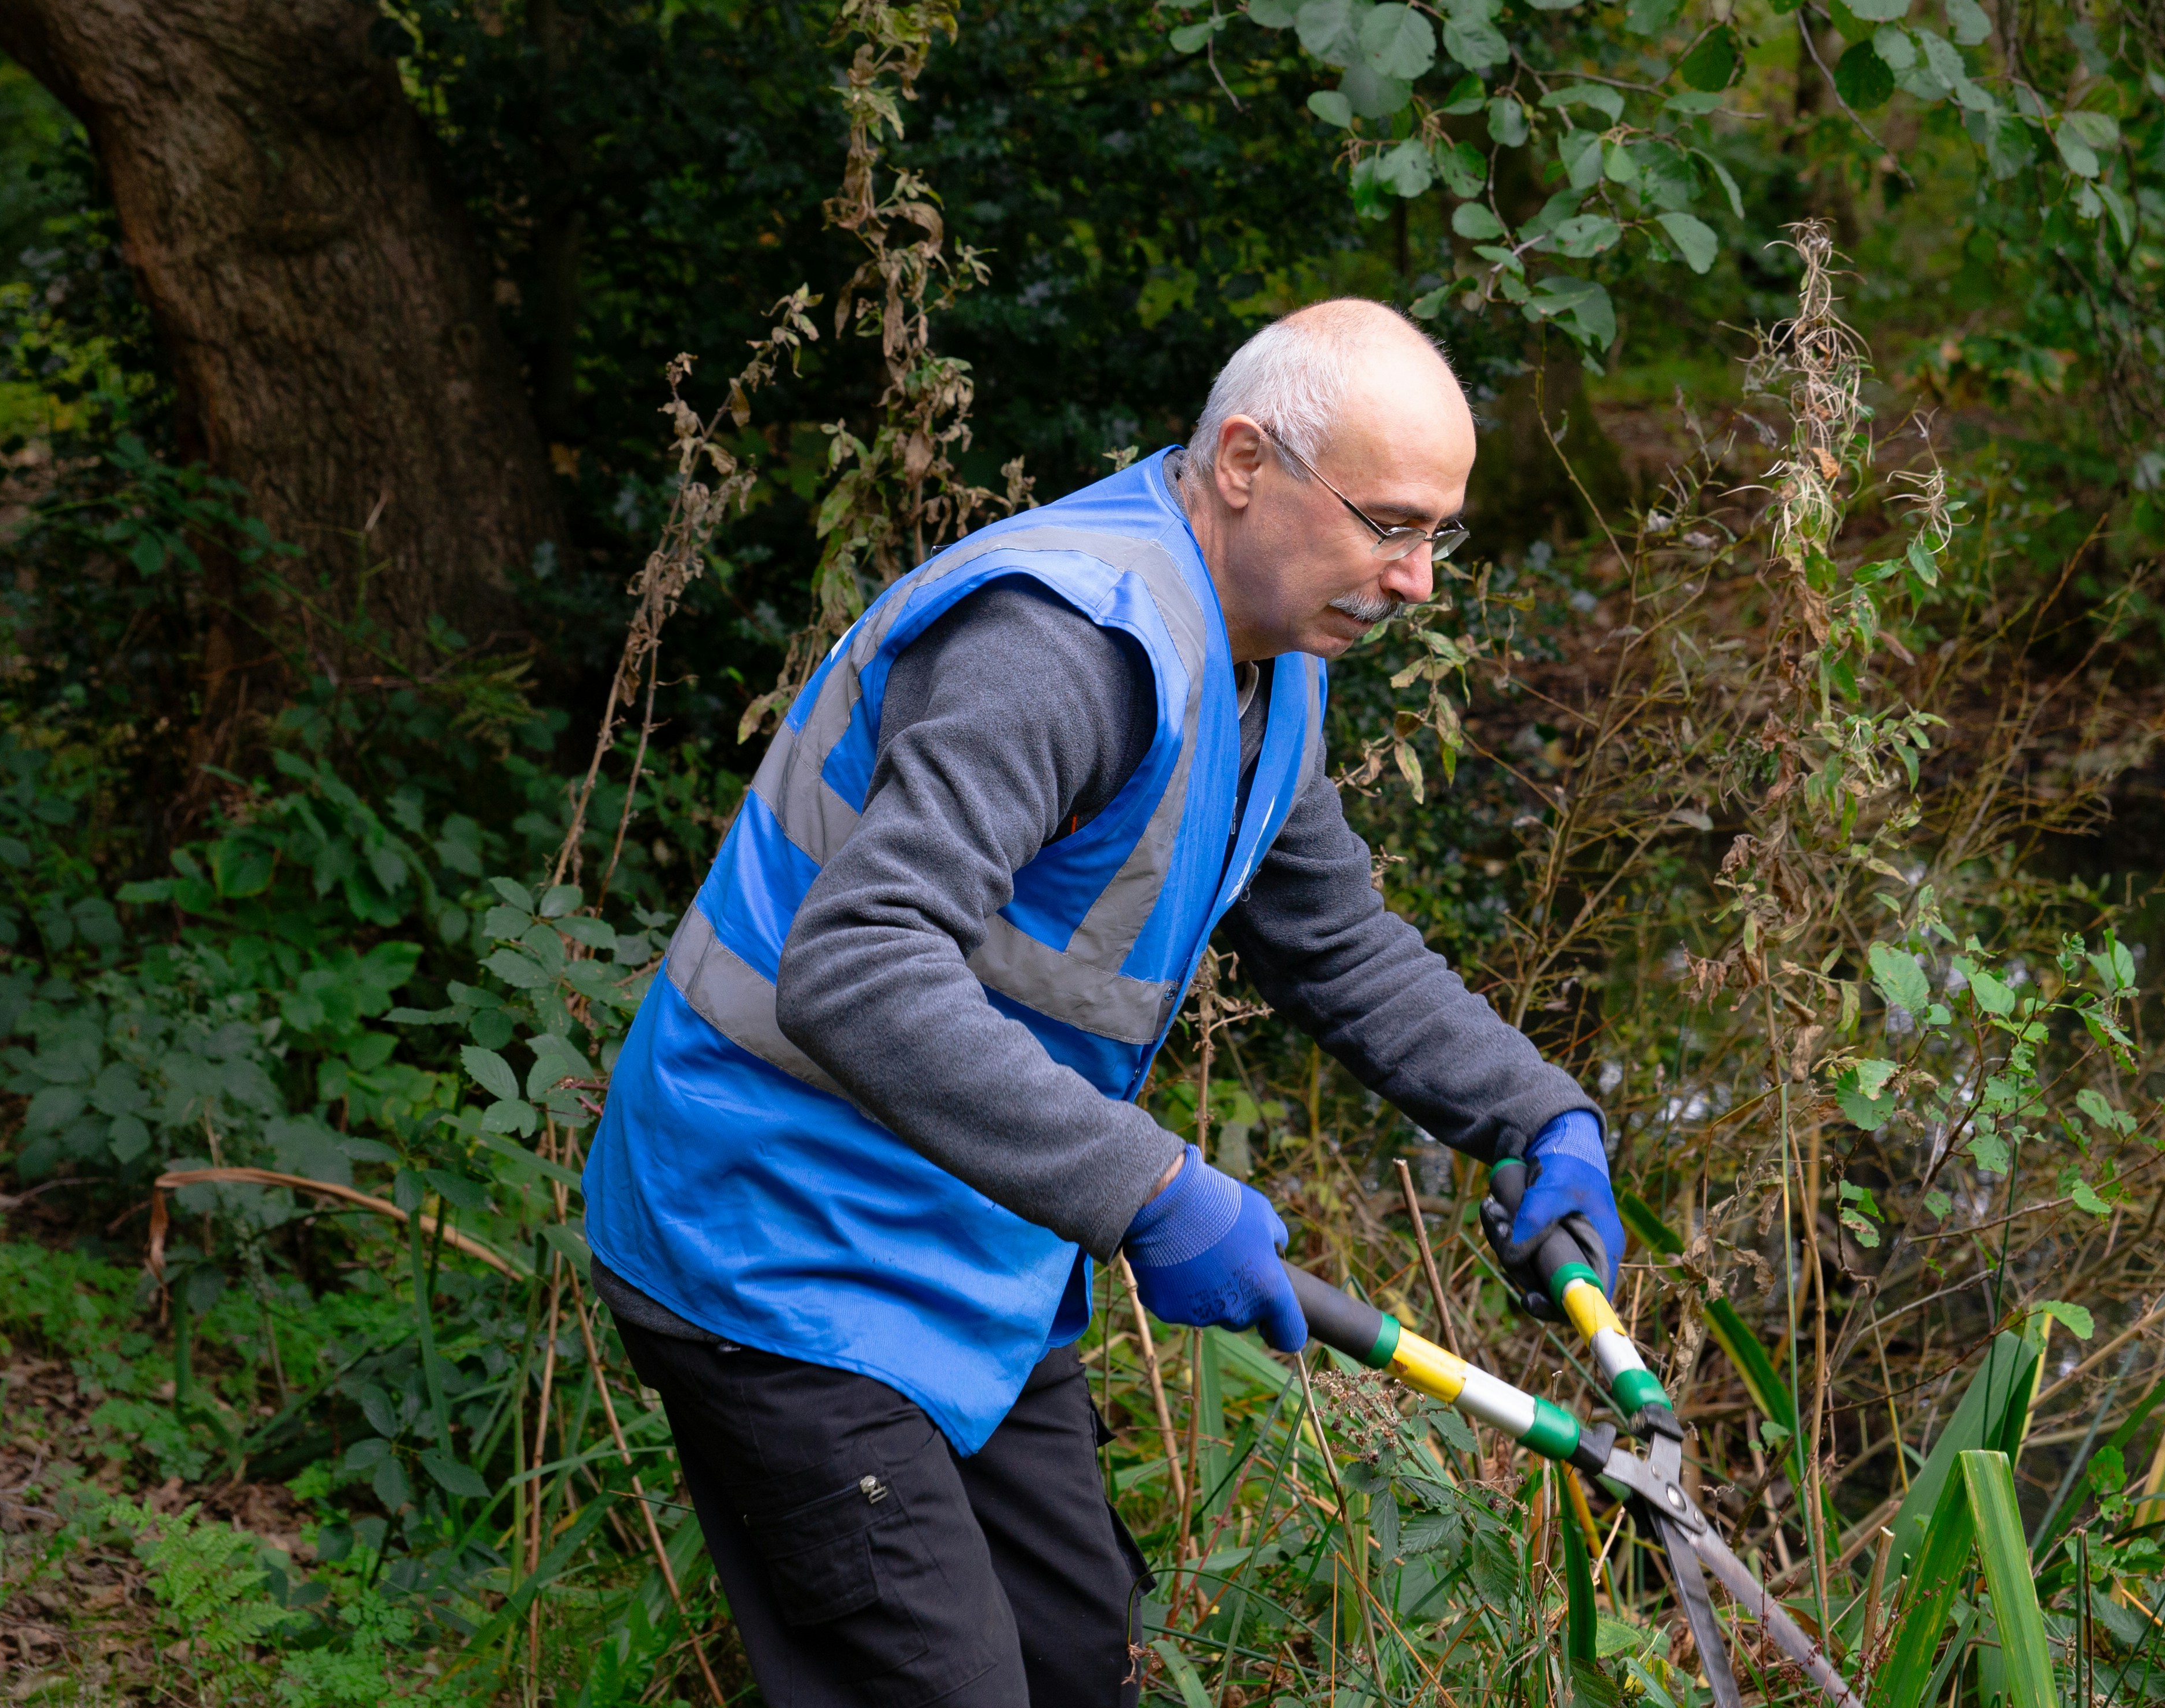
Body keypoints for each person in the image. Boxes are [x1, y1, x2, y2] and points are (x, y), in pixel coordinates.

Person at [583, 299, 1627, 1707]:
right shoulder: (1066, 645)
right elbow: (861, 961)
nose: (1419, 578)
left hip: (971, 1243)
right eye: (1390, 523)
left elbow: (1339, 946)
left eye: (1440, 533)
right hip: (776, 1246)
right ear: (1246, 461)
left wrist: (1536, 1114)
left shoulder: (1269, 666)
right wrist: (1148, 1189)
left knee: (1085, 1665)